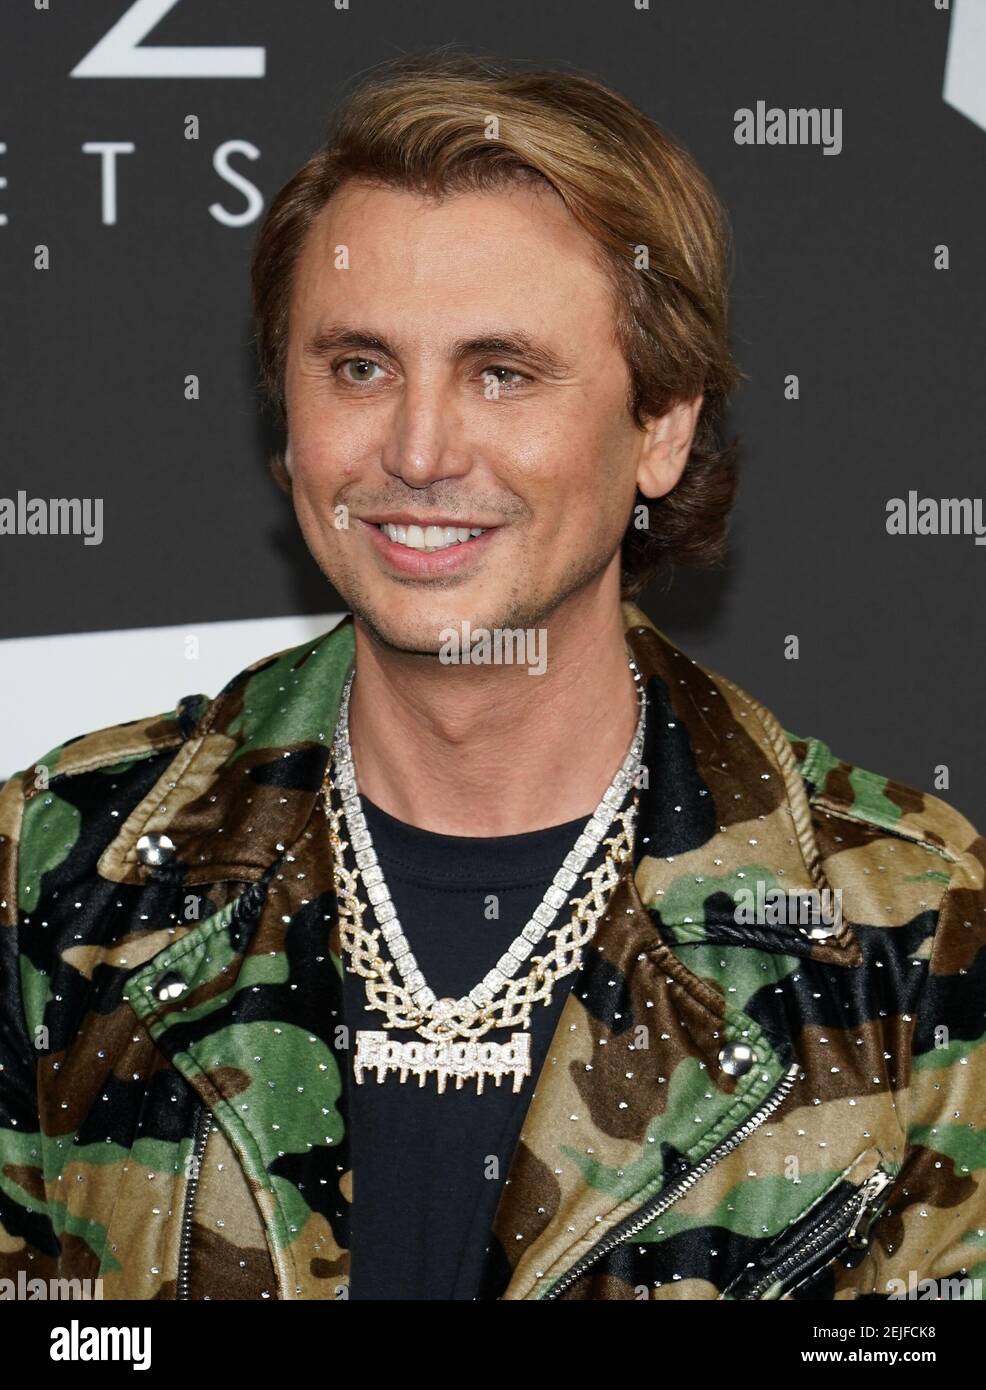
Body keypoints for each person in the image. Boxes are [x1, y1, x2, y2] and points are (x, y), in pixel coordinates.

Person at [1, 51, 983, 1302]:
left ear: (662, 424)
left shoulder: (904, 929)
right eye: (359, 366)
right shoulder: (57, 874)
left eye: (501, 372)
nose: (417, 449)